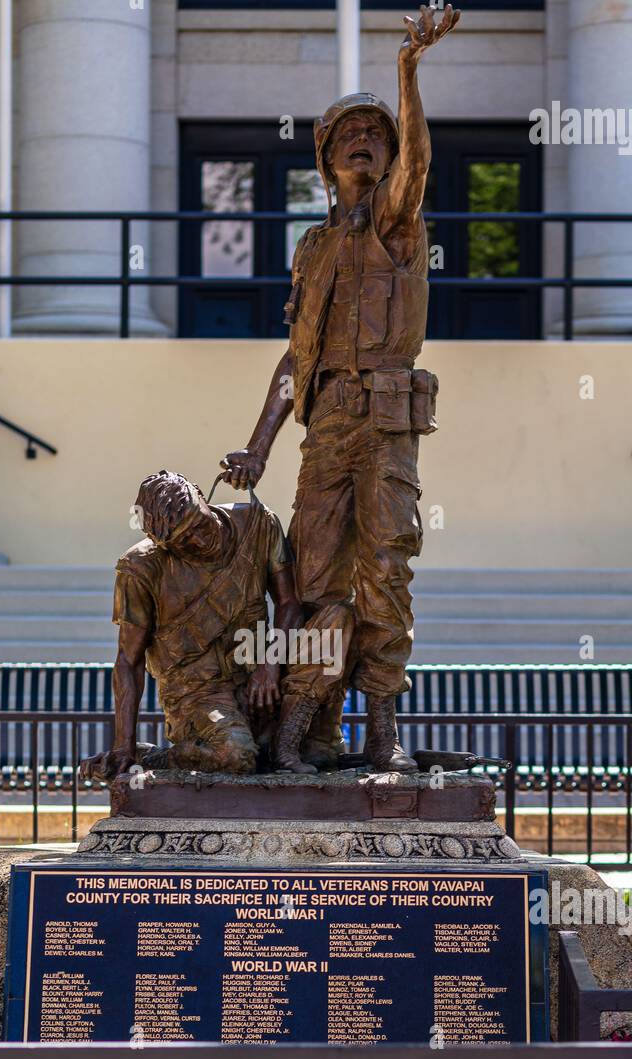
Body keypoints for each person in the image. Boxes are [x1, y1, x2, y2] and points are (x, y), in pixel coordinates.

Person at [221, 6, 460, 774]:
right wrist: (257, 447)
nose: (366, 141)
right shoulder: (313, 247)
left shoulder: (398, 224)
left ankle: (383, 726)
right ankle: (303, 727)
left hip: (386, 422)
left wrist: (408, 71)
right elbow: (295, 360)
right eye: (348, 137)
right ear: (325, 163)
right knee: (315, 579)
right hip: (326, 429)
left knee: (386, 569)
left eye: (377, 134)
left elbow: (418, 166)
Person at [80, 470, 303, 779]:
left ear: (201, 495)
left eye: (199, 524)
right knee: (235, 753)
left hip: (258, 677)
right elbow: (128, 662)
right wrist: (123, 747)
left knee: (313, 746)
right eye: (182, 541)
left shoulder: (259, 524)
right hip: (200, 700)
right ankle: (156, 759)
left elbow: (289, 603)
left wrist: (271, 663)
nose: (199, 541)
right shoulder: (140, 570)